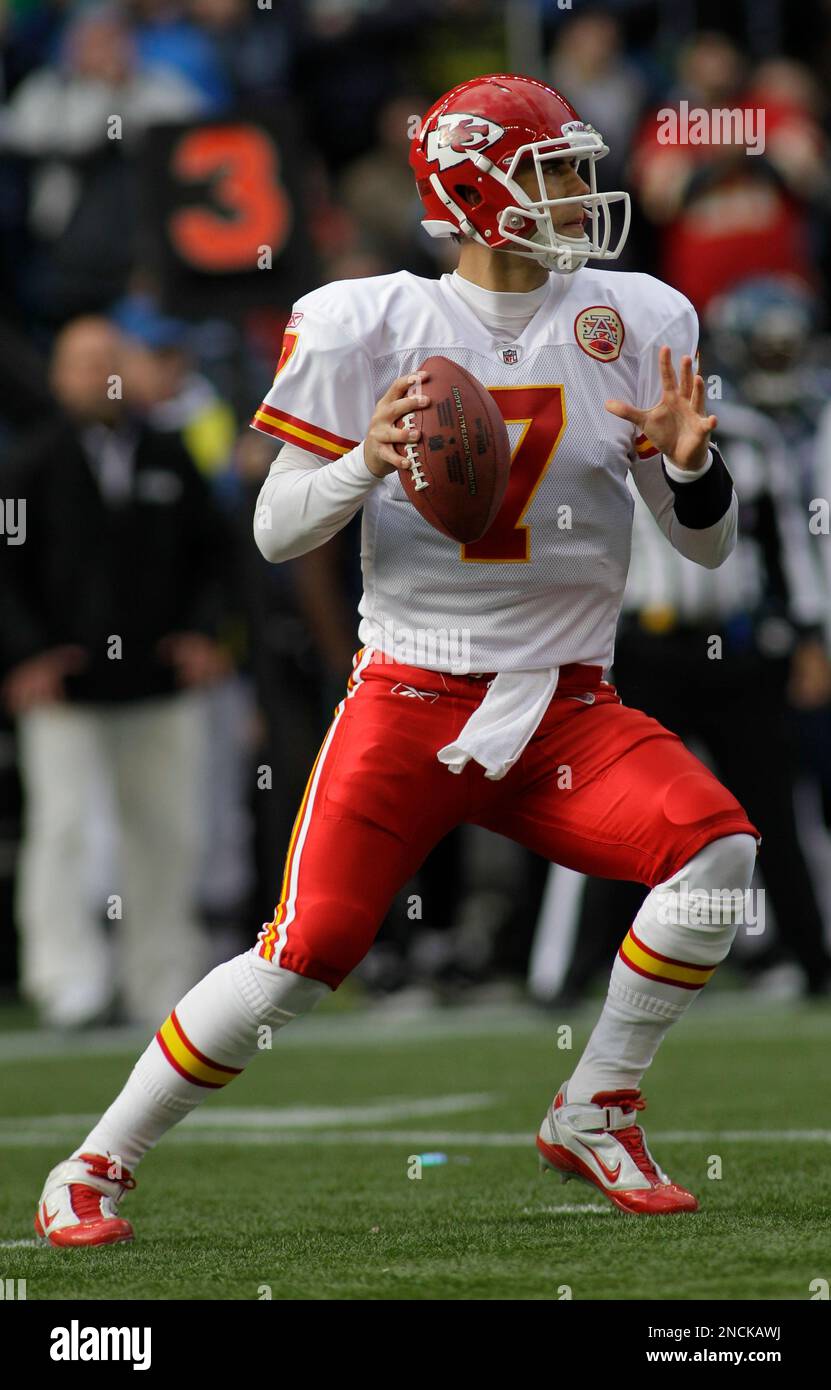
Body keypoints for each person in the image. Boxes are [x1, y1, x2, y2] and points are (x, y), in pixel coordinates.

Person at [35, 74, 759, 1243]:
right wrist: (365, 462)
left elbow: (706, 547)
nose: (584, 191)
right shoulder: (363, 319)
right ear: (476, 192)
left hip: (569, 700)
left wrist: (685, 466)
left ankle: (596, 1104)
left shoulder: (641, 316)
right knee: (304, 953)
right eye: (556, 171)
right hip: (413, 692)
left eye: (579, 166)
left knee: (719, 858)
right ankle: (94, 1162)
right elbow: (276, 530)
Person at [0, 316, 230, 1029]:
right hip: (64, 683)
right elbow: (5, 570)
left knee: (166, 830)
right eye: (83, 363)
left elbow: (215, 554)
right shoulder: (27, 466)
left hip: (158, 680)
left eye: (111, 360)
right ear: (58, 375)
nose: (100, 376)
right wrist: (26, 652)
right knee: (62, 827)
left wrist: (205, 634)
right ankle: (64, 977)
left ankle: (158, 977)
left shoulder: (169, 453)